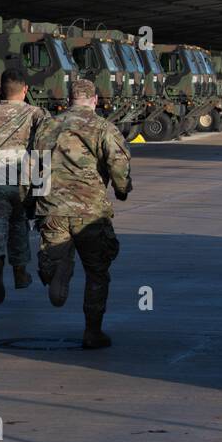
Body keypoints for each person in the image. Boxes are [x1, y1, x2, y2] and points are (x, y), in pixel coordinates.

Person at [30, 78, 132, 348]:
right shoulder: (103, 127)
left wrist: (32, 201)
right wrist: (122, 189)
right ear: (95, 100)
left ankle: (55, 270)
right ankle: (92, 331)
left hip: (52, 207)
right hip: (90, 211)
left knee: (52, 253)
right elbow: (118, 163)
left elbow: (33, 164)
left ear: (68, 99)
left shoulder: (48, 125)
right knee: (97, 271)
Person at [0, 68, 48, 304]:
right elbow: (46, 146)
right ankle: (20, 271)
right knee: (19, 223)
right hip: (23, 181)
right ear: (25, 90)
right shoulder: (37, 114)